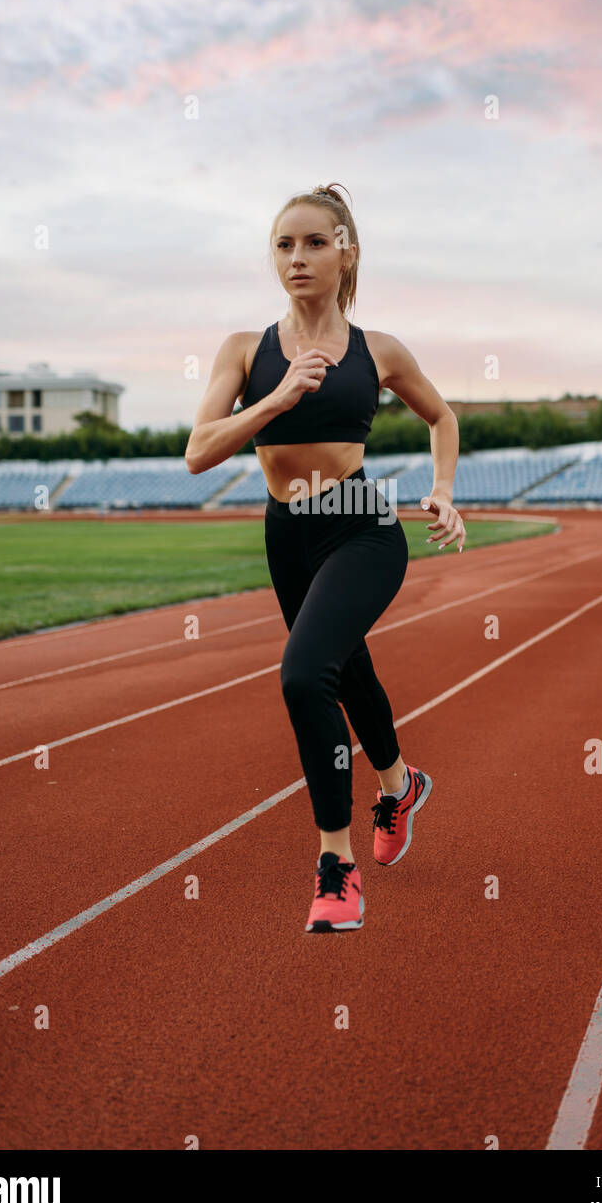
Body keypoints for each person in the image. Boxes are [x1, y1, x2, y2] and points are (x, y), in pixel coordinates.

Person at [185, 183, 466, 932]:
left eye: (314, 242)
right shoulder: (246, 351)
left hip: (360, 523)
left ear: (346, 252)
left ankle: (334, 868)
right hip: (288, 532)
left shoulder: (379, 350)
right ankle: (399, 787)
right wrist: (273, 400)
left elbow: (440, 415)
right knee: (345, 670)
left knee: (304, 674)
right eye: (283, 245)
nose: (297, 258)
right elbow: (197, 453)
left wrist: (442, 489)